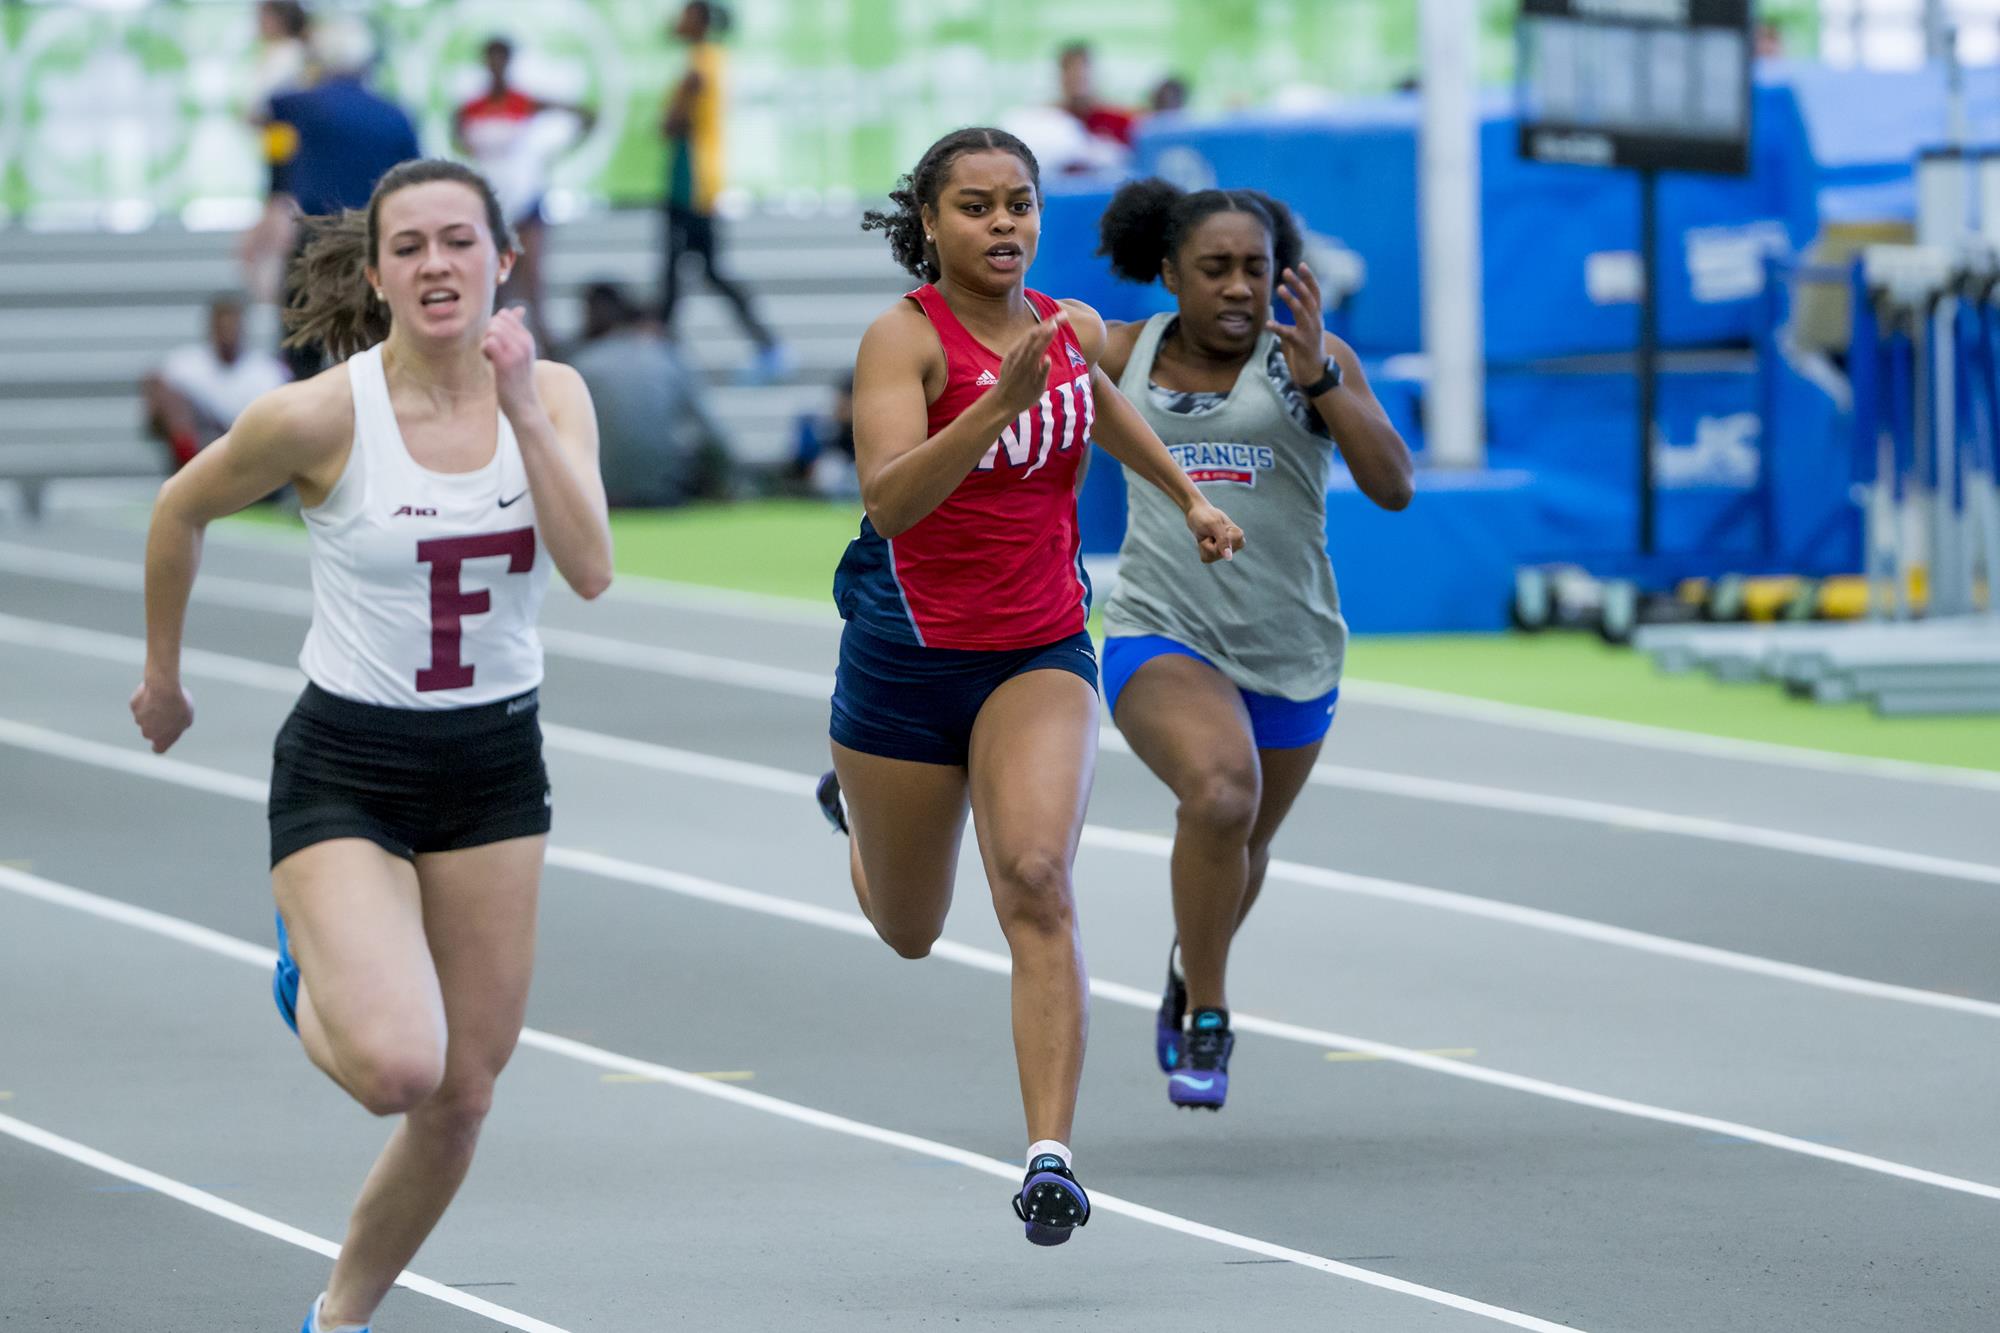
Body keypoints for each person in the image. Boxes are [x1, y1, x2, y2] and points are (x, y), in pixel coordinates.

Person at [129, 158, 611, 1333]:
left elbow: (591, 569)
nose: (436, 265)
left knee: (459, 1095)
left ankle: (337, 1315)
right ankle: (309, 968)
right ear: (378, 272)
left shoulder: (554, 393)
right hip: (348, 762)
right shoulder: (315, 414)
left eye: (459, 241)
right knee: (397, 1066)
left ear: (505, 259)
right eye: (411, 247)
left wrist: (524, 413)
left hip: (495, 767)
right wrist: (163, 675)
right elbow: (178, 508)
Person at [814, 128, 1243, 1246]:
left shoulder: (1069, 329)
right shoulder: (898, 343)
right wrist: (994, 408)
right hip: (905, 659)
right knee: (909, 928)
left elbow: (1099, 403)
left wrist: (1182, 493)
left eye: (1019, 204)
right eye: (974, 206)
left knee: (1036, 878)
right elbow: (890, 503)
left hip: (1036, 648)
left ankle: (1048, 1155)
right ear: (930, 223)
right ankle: (856, 823)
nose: (1002, 224)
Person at [1094, 179, 1413, 1111]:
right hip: (1162, 629)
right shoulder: (1123, 351)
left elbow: (1393, 486)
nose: (1239, 288)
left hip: (1292, 645)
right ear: (1168, 275)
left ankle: (1189, 964)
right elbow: (1038, 337)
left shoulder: (1306, 359)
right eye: (1215, 269)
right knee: (1221, 793)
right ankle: (1211, 1011)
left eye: (1256, 270)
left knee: (1243, 840)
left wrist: (1322, 377)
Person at [271, 18, 422, 381]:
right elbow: (417, 182)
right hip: (375, 245)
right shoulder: (395, 115)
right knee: (375, 346)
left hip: (317, 244)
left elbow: (261, 105)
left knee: (302, 347)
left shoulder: (304, 105)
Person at [658, 1, 789, 382]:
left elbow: (668, 126)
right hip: (698, 183)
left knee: (685, 271)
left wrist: (672, 108)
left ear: (699, 21)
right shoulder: (711, 60)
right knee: (688, 271)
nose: (677, 20)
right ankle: (765, 346)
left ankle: (767, 346)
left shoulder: (697, 67)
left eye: (685, 13)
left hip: (690, 185)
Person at [453, 35, 596, 350]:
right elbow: (459, 144)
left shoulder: (526, 102)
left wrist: (551, 155)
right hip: (491, 205)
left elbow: (586, 115)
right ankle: (488, 350)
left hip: (526, 203)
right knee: (494, 285)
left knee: (533, 283)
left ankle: (545, 350)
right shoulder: (469, 109)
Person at [567, 280, 730, 506]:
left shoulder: (582, 364)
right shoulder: (665, 356)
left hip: (602, 492)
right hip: (664, 489)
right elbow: (712, 432)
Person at [143, 294, 291, 470]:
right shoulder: (185, 364)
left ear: (243, 329)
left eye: (232, 326)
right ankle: (191, 466)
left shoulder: (266, 370)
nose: (227, 333)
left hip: (248, 447)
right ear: (210, 328)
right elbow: (157, 412)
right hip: (202, 443)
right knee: (162, 389)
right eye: (222, 327)